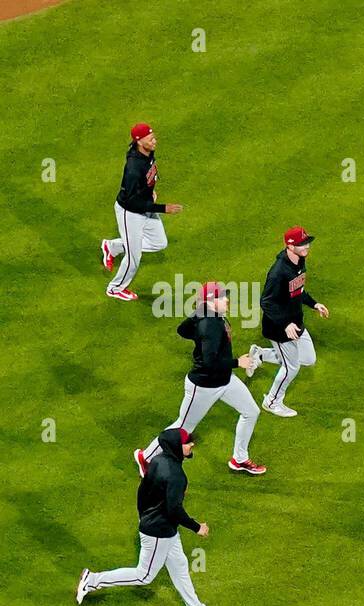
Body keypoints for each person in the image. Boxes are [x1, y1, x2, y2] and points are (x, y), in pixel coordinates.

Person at [76, 428, 224, 606]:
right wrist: (197, 527)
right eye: (187, 442)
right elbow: (174, 510)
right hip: (158, 532)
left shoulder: (158, 461)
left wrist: (144, 515)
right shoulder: (176, 475)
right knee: (144, 576)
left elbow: (142, 492)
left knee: (179, 566)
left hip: (161, 527)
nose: (192, 445)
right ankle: (92, 580)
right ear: (175, 447)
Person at [135, 282, 265, 477]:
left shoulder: (210, 316)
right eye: (221, 297)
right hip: (203, 386)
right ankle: (146, 457)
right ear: (210, 302)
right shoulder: (209, 324)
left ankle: (239, 459)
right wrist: (239, 362)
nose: (226, 299)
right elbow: (209, 361)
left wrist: (199, 330)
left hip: (225, 380)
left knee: (251, 411)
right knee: (183, 427)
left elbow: (183, 330)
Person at [246, 226, 330, 417]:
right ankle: (272, 402)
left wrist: (314, 304)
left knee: (308, 359)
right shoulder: (278, 272)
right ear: (289, 247)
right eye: (301, 244)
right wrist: (285, 324)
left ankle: (259, 355)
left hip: (296, 322)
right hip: (280, 329)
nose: (306, 246)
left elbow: (298, 289)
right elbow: (266, 302)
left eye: (306, 242)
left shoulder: (300, 261)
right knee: (291, 367)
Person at [101, 123, 183, 301]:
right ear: (139, 141)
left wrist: (149, 192)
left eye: (154, 137)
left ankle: (112, 247)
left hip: (144, 207)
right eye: (150, 139)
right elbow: (132, 201)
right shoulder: (133, 168)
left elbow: (148, 179)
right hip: (129, 212)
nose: (155, 141)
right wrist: (163, 208)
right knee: (134, 256)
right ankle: (115, 288)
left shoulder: (147, 153)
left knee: (159, 242)